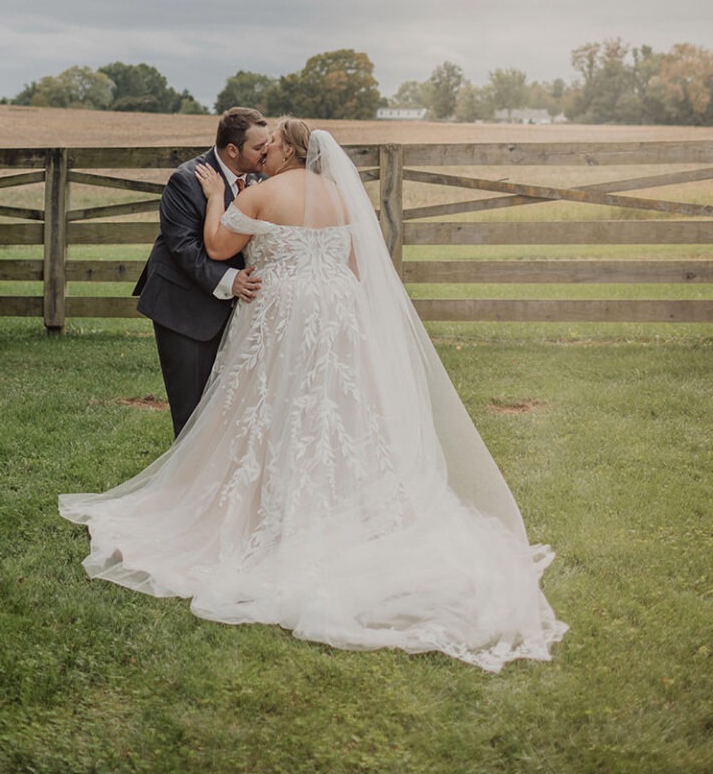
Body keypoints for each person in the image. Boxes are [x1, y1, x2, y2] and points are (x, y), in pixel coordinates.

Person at [61, 118, 568, 671]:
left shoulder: (263, 193)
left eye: (271, 145)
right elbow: (355, 265)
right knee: (339, 409)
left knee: (272, 404)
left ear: (288, 150)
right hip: (337, 312)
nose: (265, 154)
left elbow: (216, 243)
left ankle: (264, 511)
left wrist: (214, 198)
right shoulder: (340, 195)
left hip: (283, 312)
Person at [133, 106, 270, 436]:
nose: (266, 152)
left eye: (269, 144)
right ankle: (185, 484)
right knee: (191, 408)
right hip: (183, 307)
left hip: (234, 311)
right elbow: (183, 247)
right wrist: (230, 280)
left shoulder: (260, 177)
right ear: (232, 150)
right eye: (259, 147)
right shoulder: (186, 180)